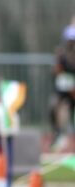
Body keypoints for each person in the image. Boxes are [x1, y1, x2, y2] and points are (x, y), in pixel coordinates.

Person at [50, 19, 75, 152]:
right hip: (63, 91)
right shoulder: (61, 54)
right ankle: (57, 134)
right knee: (53, 105)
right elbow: (56, 75)